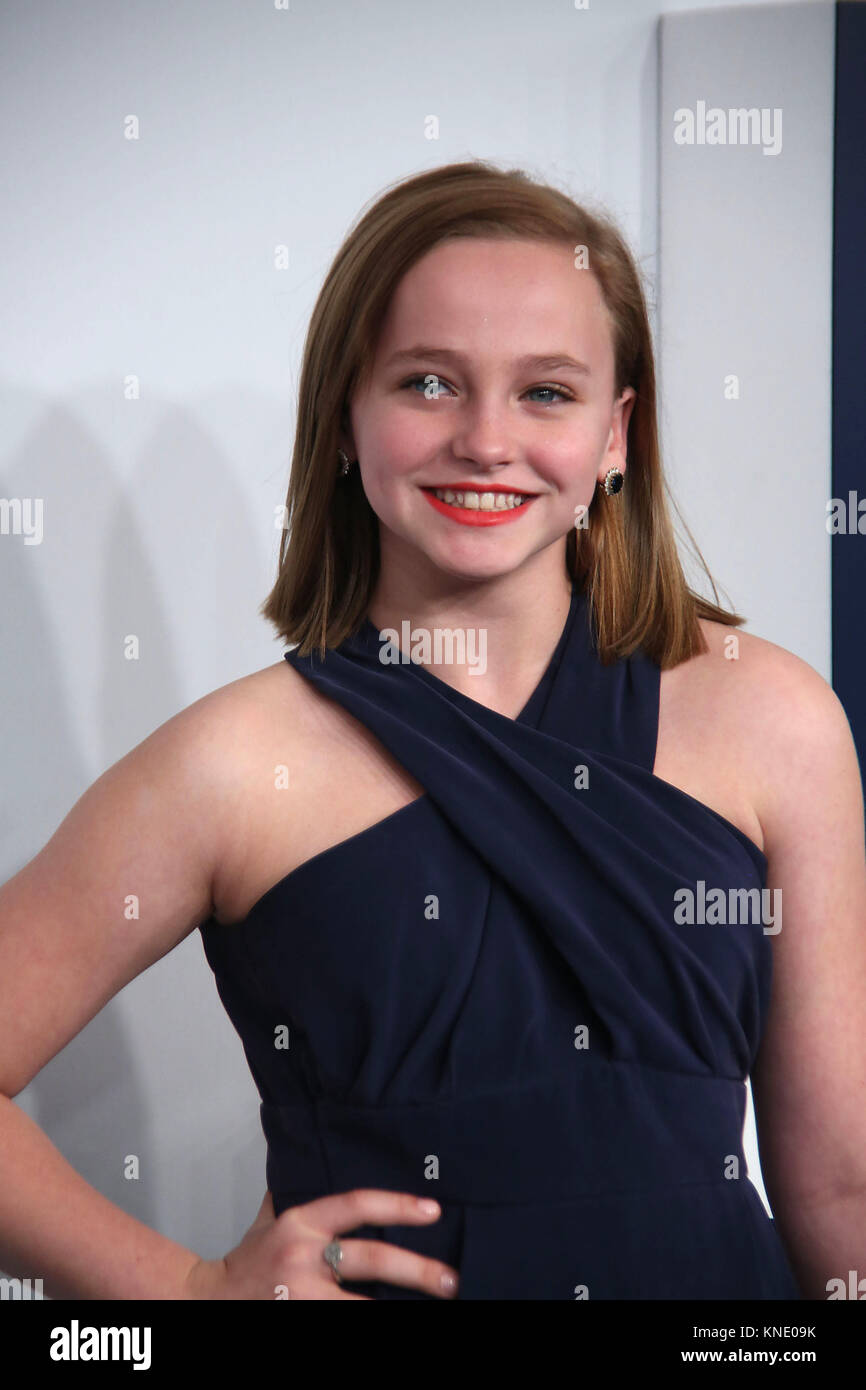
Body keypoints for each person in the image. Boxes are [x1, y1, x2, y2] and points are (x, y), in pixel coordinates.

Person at [2, 161, 865, 1301]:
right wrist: (190, 1294)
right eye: (426, 383)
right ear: (346, 422)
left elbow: (837, 1186)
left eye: (545, 393)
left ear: (616, 436)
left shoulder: (772, 716)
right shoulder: (228, 765)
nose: (485, 440)